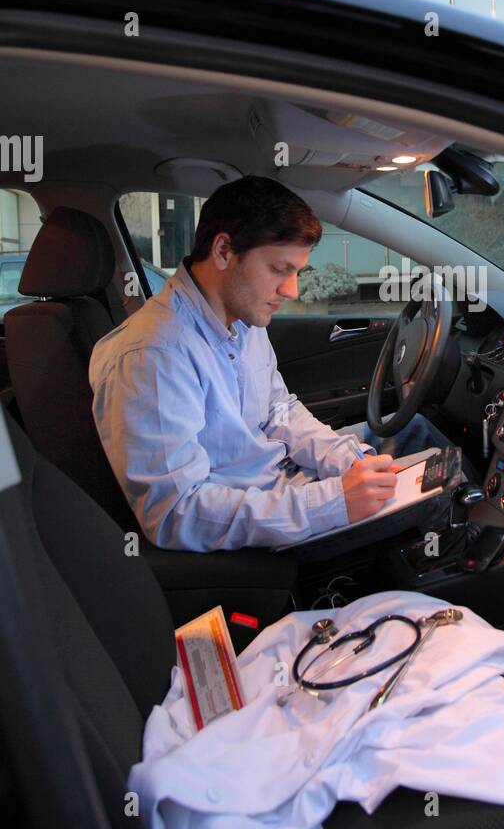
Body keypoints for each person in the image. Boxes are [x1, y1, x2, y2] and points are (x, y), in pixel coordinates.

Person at [89, 175, 468, 554]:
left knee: (416, 435)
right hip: (263, 528)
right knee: (439, 492)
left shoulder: (240, 314)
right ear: (223, 251)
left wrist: (349, 462)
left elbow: (278, 411)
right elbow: (176, 513)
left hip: (285, 479)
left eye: (296, 272)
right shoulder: (152, 356)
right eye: (279, 269)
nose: (292, 291)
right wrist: (335, 501)